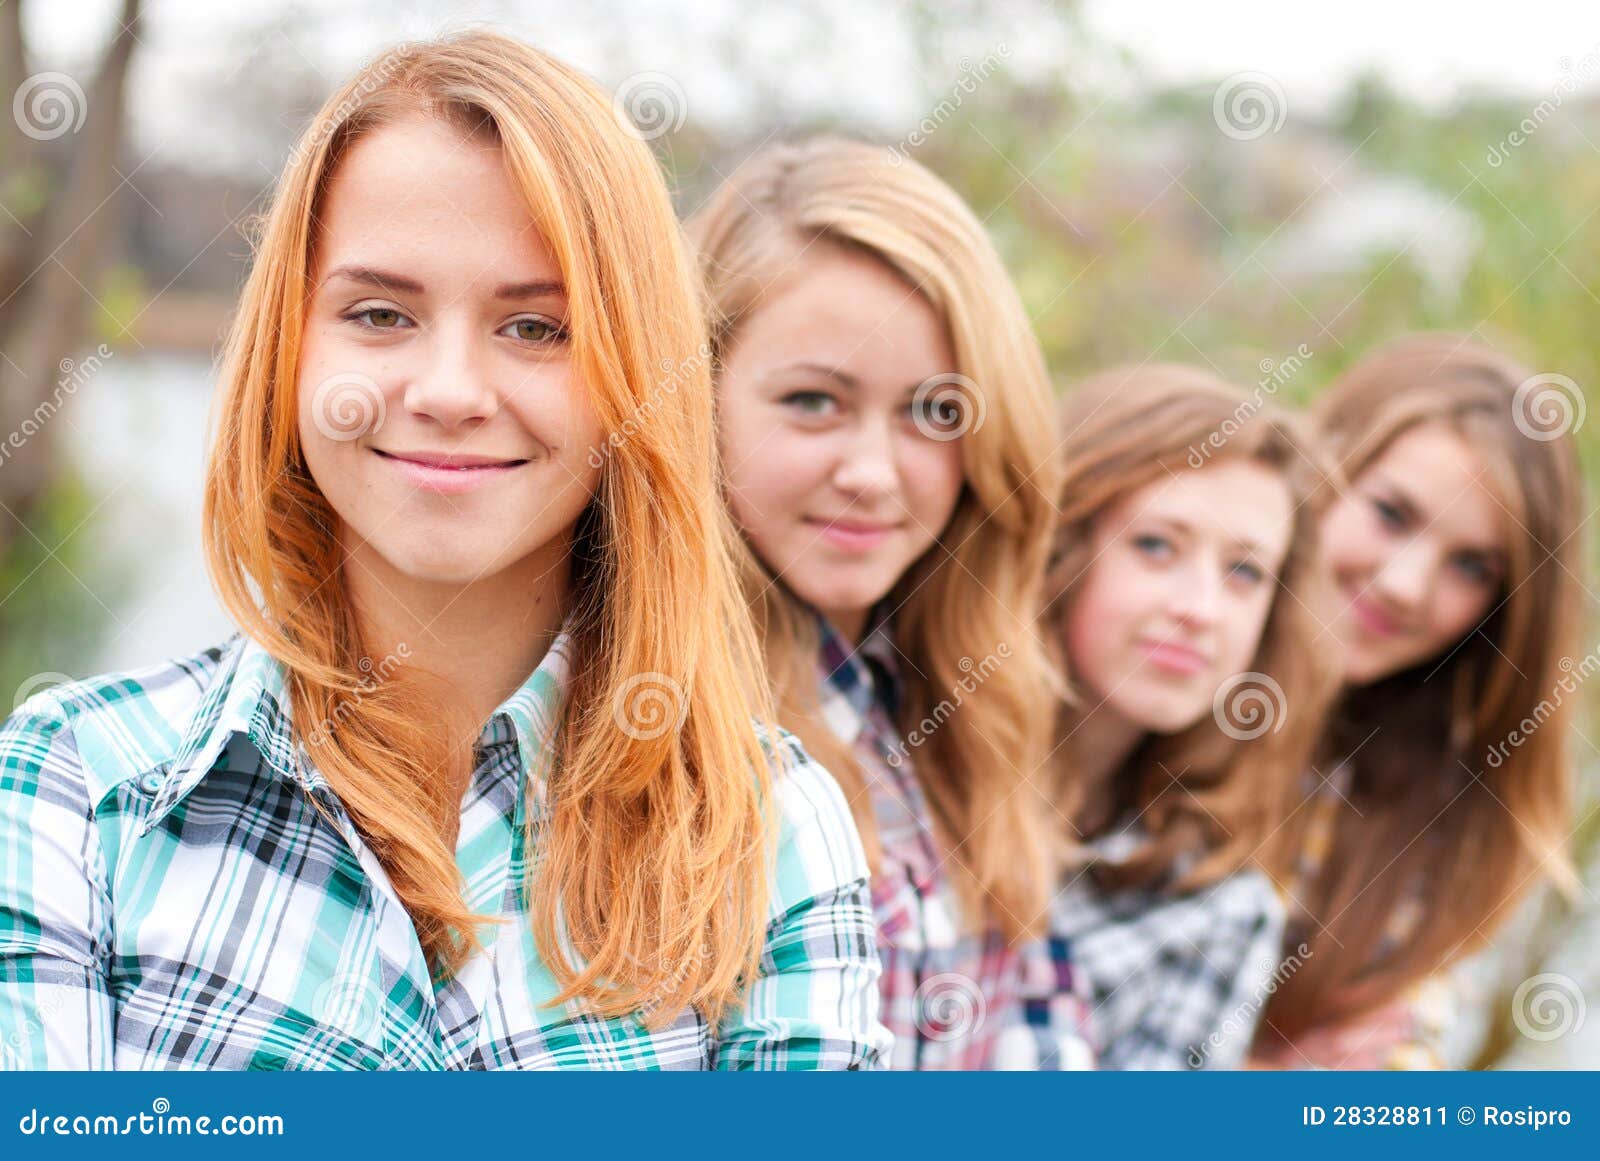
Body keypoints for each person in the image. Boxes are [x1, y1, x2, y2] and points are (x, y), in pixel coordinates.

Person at [0, 32, 887, 1071]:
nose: (450, 392)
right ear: (290, 347)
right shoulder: (75, 784)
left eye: (536, 328)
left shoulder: (772, 832)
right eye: (380, 313)